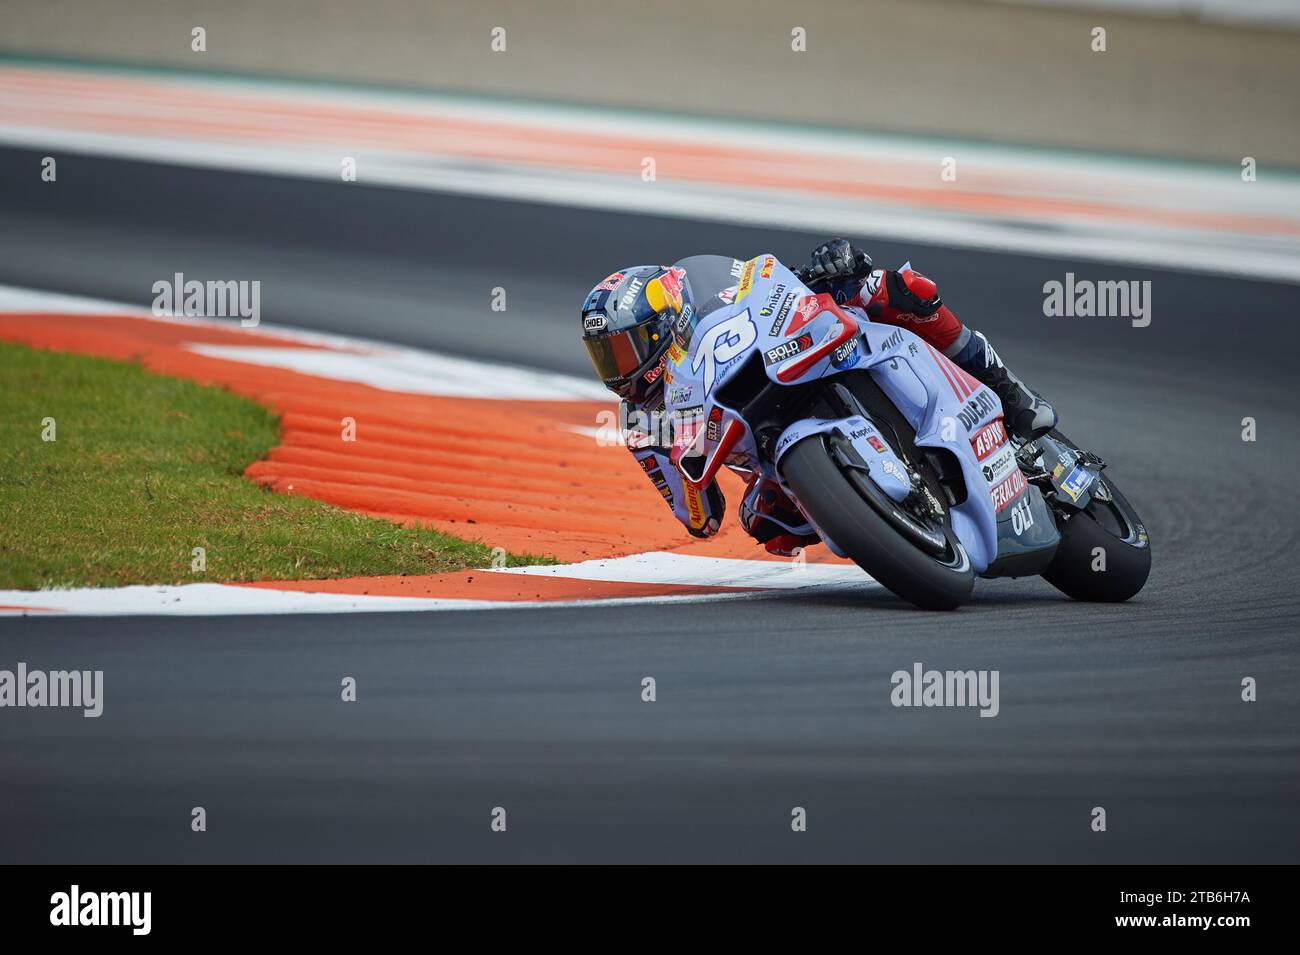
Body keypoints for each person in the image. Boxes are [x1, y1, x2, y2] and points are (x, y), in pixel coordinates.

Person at [579, 239, 1056, 555]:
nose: (619, 366)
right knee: (761, 522)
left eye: (625, 346)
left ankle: (1009, 392)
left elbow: (763, 284)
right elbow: (702, 520)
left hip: (794, 354)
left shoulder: (708, 305)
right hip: (765, 456)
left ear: (665, 326)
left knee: (892, 289)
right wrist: (675, 457)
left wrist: (829, 267)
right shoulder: (646, 423)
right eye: (606, 355)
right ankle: (866, 514)